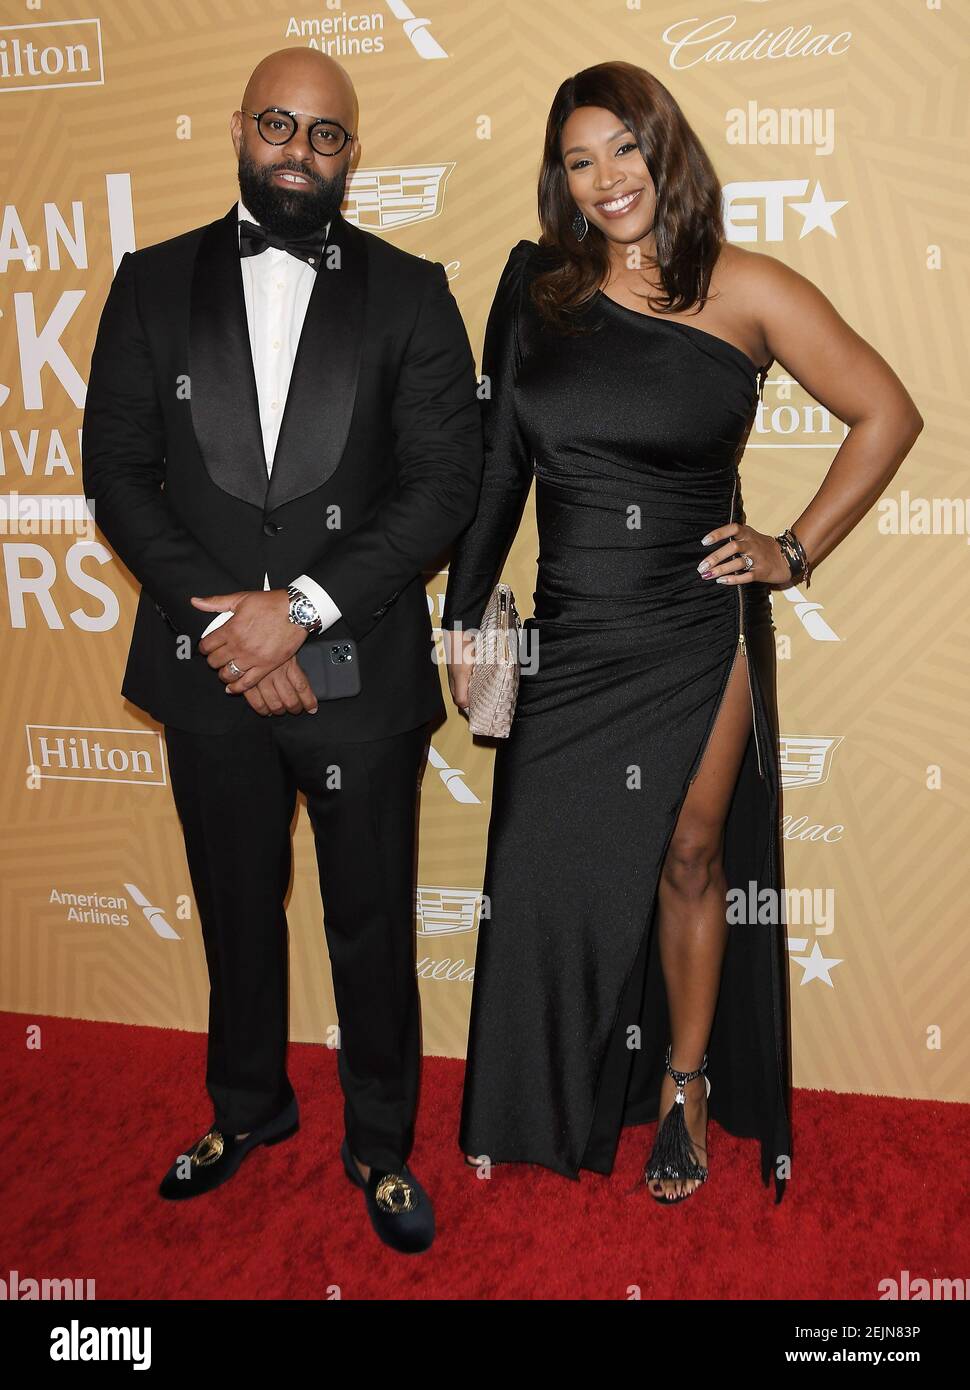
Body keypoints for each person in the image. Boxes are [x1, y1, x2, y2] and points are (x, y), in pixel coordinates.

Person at [442, 61, 922, 1204]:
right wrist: (462, 616)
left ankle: (687, 1086)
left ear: (667, 149)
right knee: (536, 865)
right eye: (579, 159)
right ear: (558, 180)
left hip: (696, 623)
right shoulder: (536, 291)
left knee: (693, 854)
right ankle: (530, 1100)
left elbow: (886, 411)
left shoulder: (745, 287)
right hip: (573, 624)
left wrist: (792, 549)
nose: (608, 179)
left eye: (626, 148)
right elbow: (497, 466)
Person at [82, 46, 483, 1253]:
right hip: (207, 673)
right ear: (239, 132)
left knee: (370, 919)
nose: (299, 152)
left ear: (351, 154)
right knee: (233, 911)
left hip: (357, 675)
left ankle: (379, 1143)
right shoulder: (151, 284)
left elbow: (443, 484)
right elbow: (117, 475)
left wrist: (296, 609)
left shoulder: (412, 291)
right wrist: (229, 626)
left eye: (325, 135)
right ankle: (246, 1110)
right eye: (279, 126)